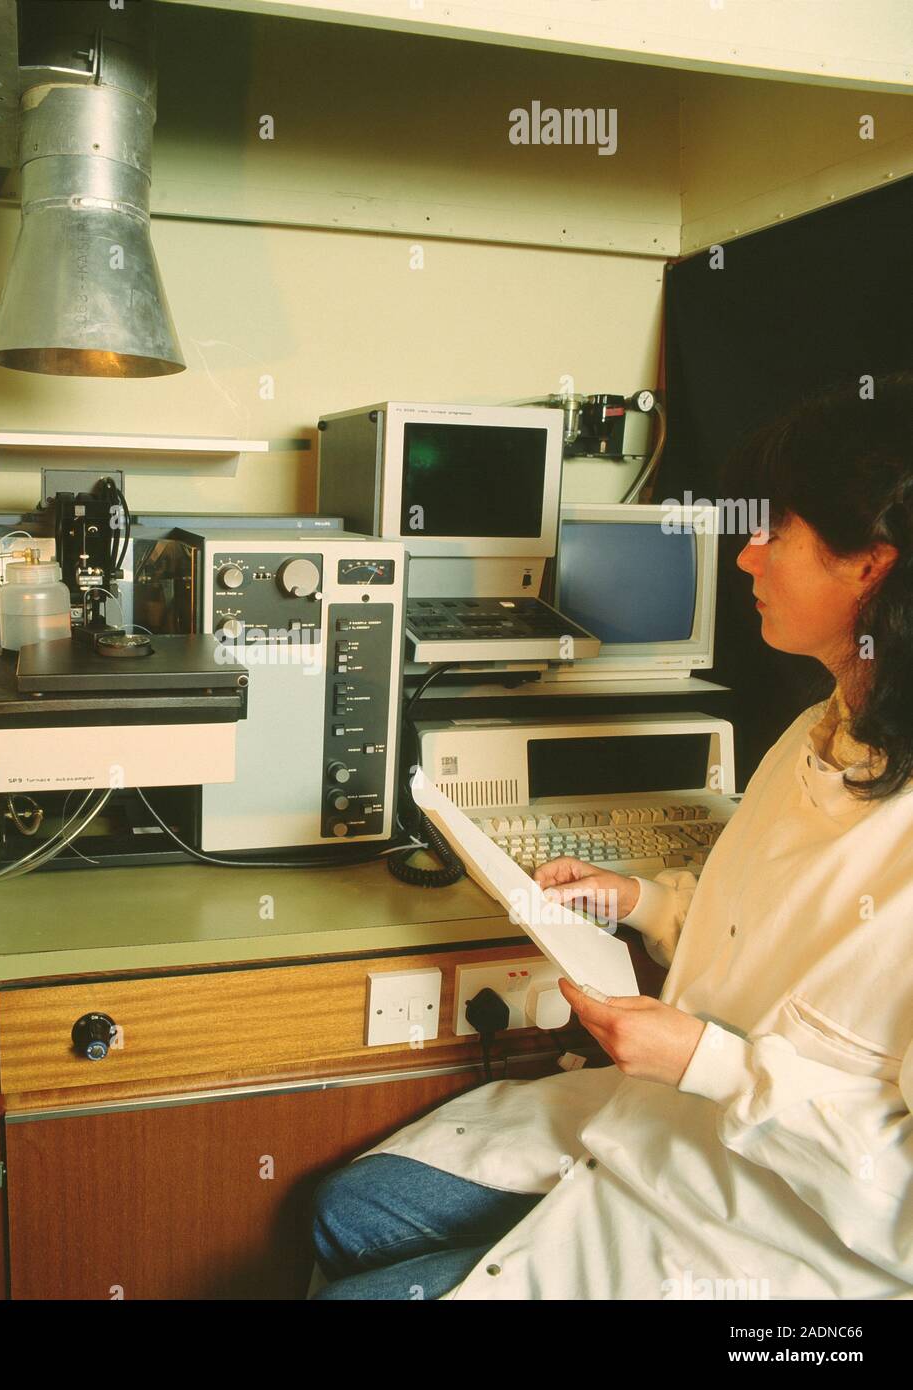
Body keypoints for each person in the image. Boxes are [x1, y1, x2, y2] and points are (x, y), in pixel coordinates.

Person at [311, 376, 913, 1300]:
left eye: (775, 533)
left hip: (789, 1250)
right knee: (340, 1210)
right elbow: (764, 944)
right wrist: (644, 904)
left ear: (871, 566)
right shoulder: (819, 736)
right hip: (675, 1136)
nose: (745, 561)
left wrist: (706, 1063)